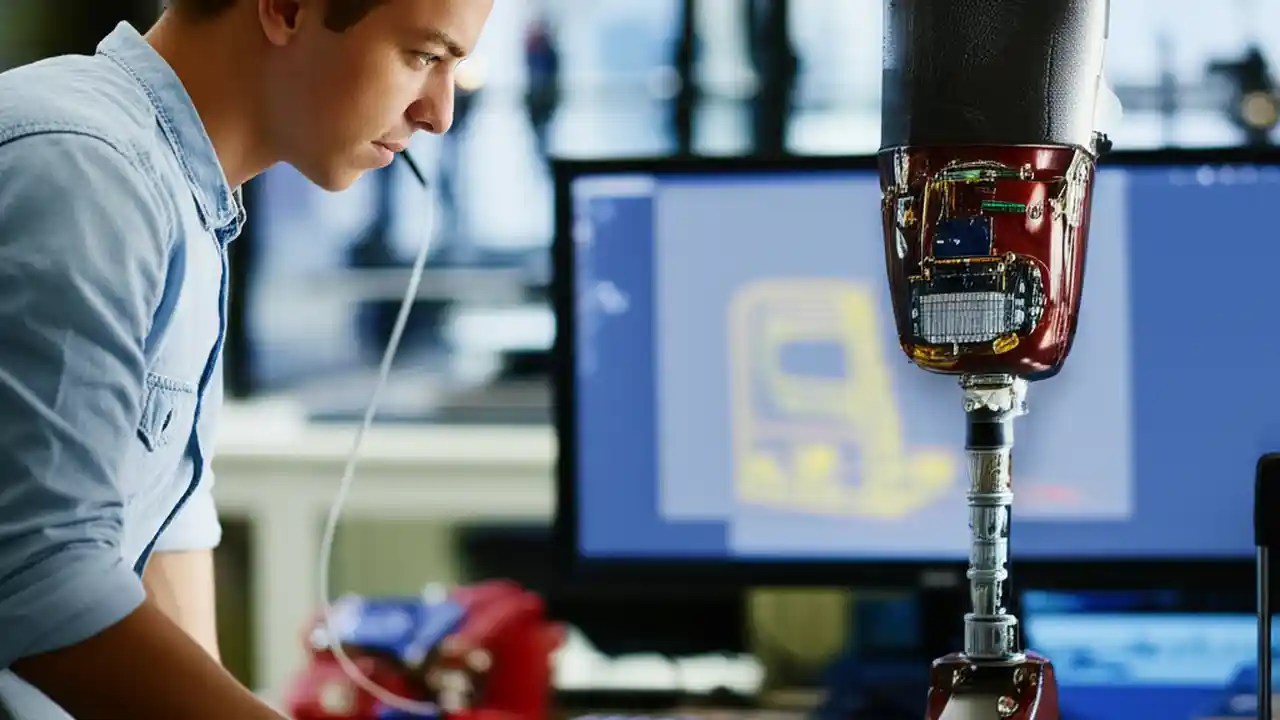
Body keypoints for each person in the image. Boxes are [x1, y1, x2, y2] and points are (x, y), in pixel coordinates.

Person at [0, 0, 493, 717]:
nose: (440, 114)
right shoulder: (86, 168)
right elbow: (41, 580)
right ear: (287, 9)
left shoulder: (185, 192)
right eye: (423, 57)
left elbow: (165, 527)